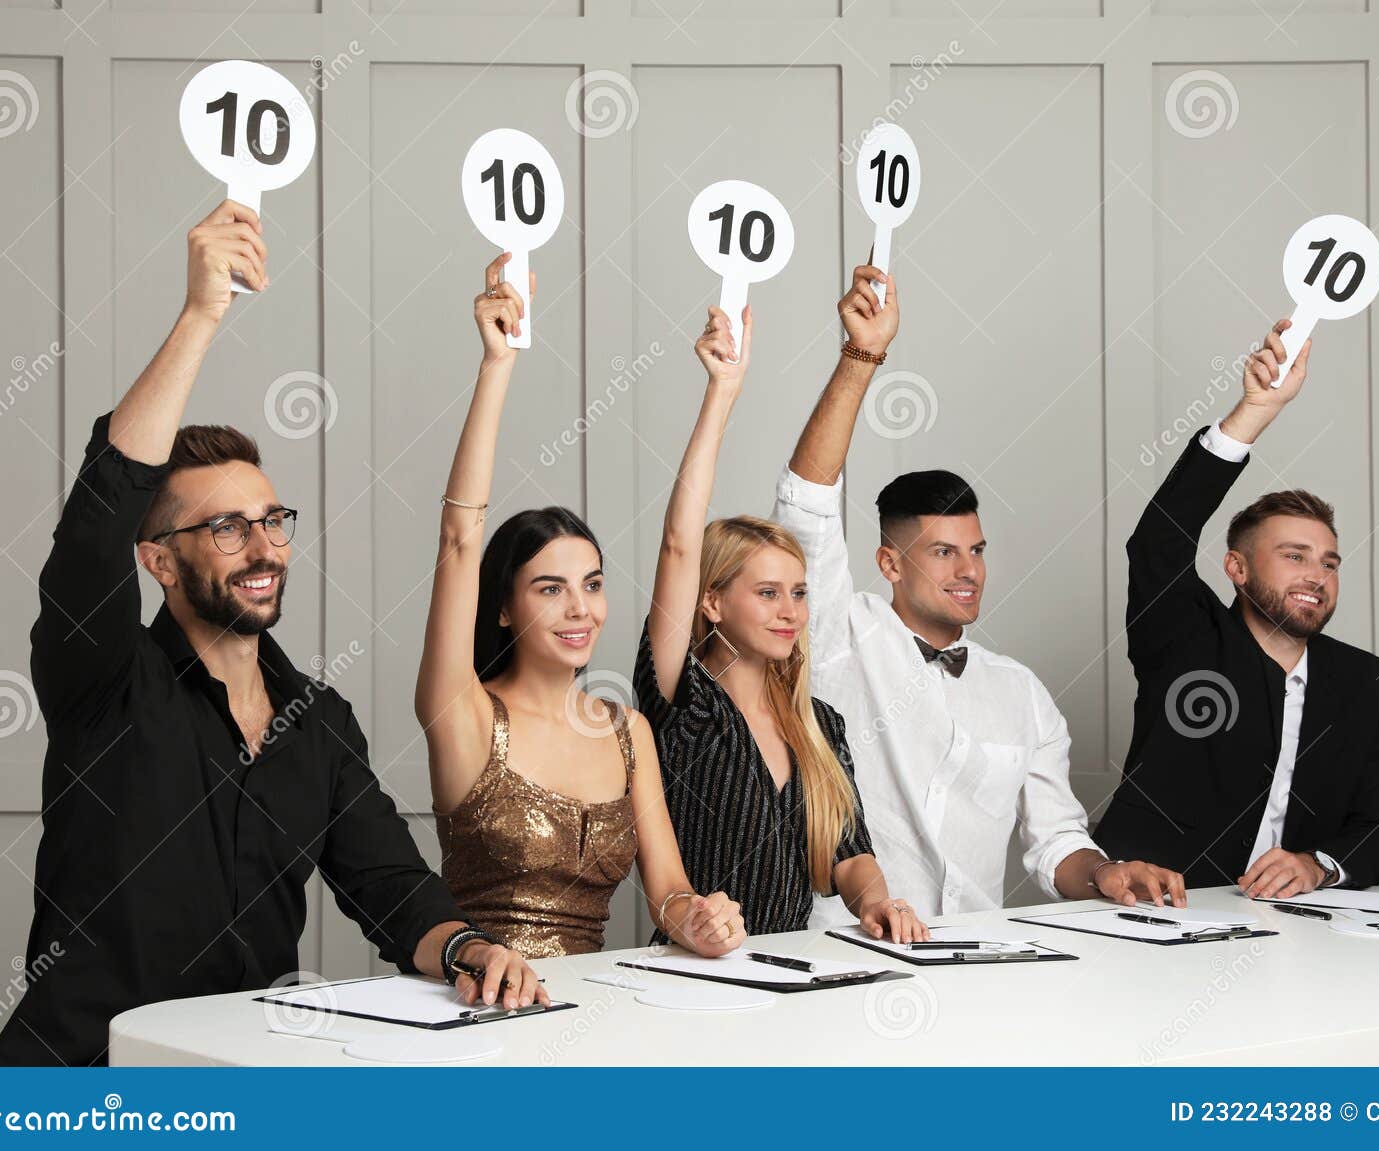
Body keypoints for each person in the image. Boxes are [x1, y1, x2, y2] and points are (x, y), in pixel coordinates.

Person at [0, 203, 545, 1067]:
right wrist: (203, 313)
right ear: (159, 562)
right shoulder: (99, 678)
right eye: (224, 528)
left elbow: (395, 891)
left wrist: (470, 947)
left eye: (272, 519)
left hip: (239, 1087)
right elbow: (98, 516)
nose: (263, 548)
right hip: (82, 1087)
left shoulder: (318, 725)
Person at [772, 263, 1186, 924]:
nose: (968, 570)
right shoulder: (841, 638)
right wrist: (861, 357)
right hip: (849, 955)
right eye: (943, 552)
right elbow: (806, 508)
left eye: (977, 550)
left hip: (976, 968)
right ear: (890, 562)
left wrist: (1108, 871)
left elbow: (1055, 842)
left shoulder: (1020, 693)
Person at [415, 254, 745, 960]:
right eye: (549, 587)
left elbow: (669, 889)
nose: (580, 608)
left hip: (592, 1017)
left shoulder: (629, 732)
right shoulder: (463, 712)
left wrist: (697, 918)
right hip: (478, 1009)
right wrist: (497, 365)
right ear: (501, 607)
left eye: (592, 583)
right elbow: (458, 539)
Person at [636, 303, 929, 944]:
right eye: (767, 592)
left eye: (798, 592)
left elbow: (850, 855)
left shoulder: (820, 724)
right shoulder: (681, 705)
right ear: (711, 602)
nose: (791, 609)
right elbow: (679, 546)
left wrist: (877, 902)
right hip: (693, 974)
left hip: (797, 976)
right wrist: (723, 390)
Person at [1094, 320, 1379, 897]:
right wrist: (1255, 411)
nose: (1317, 575)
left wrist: (1317, 865)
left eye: (1330, 563)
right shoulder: (1182, 635)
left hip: (1291, 935)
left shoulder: (1366, 681)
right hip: (1150, 916)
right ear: (1235, 569)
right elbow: (1159, 541)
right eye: (1294, 556)